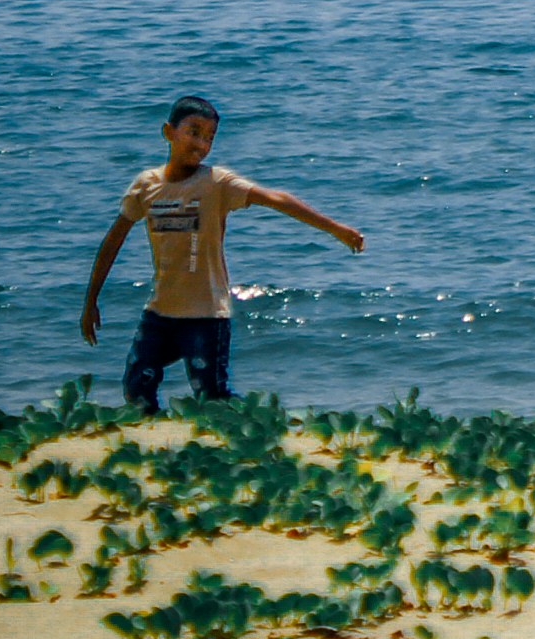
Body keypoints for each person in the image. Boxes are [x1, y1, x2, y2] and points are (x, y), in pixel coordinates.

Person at [76, 92, 366, 412]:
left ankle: (266, 422)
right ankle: (161, 446)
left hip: (206, 316)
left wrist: (335, 228)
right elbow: (112, 243)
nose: (201, 144)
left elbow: (276, 198)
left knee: (213, 397)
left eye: (210, 138)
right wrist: (91, 301)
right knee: (136, 388)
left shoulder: (217, 183)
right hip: (161, 314)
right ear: (168, 132)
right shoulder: (146, 187)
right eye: (194, 132)